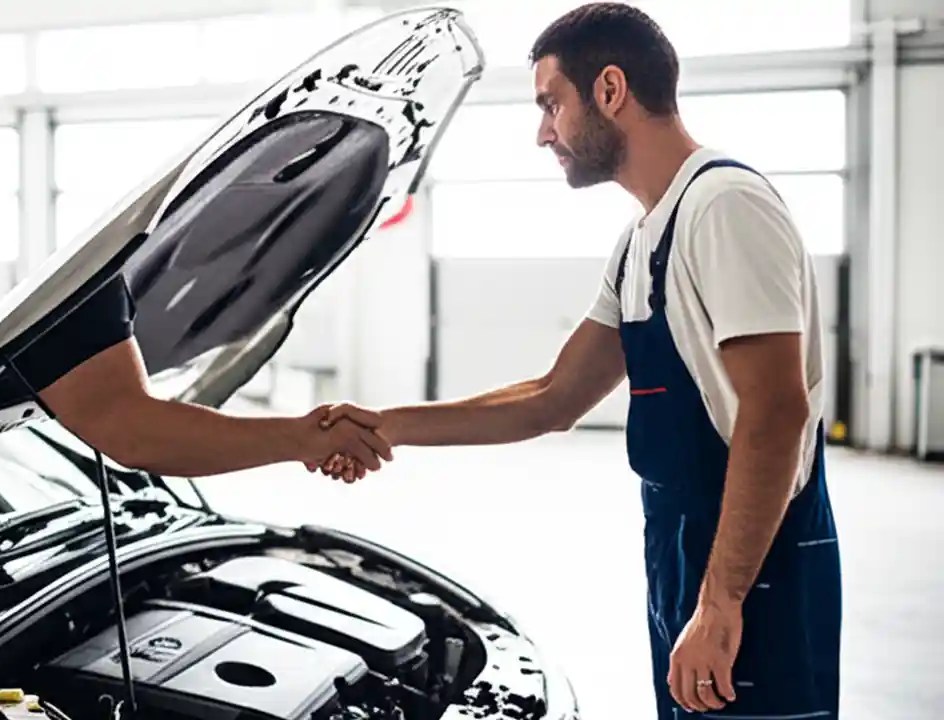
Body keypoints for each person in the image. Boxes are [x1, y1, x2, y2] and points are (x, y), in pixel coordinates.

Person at [311, 3, 842, 718]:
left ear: (610, 90)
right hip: (689, 557)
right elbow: (552, 398)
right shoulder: (641, 240)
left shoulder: (724, 206)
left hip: (755, 568)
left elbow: (776, 412)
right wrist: (383, 425)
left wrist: (721, 604)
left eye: (551, 104)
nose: (543, 133)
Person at [3, 272, 393, 478]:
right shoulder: (79, 282)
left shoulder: (92, 284)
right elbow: (133, 433)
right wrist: (309, 438)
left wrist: (321, 437)